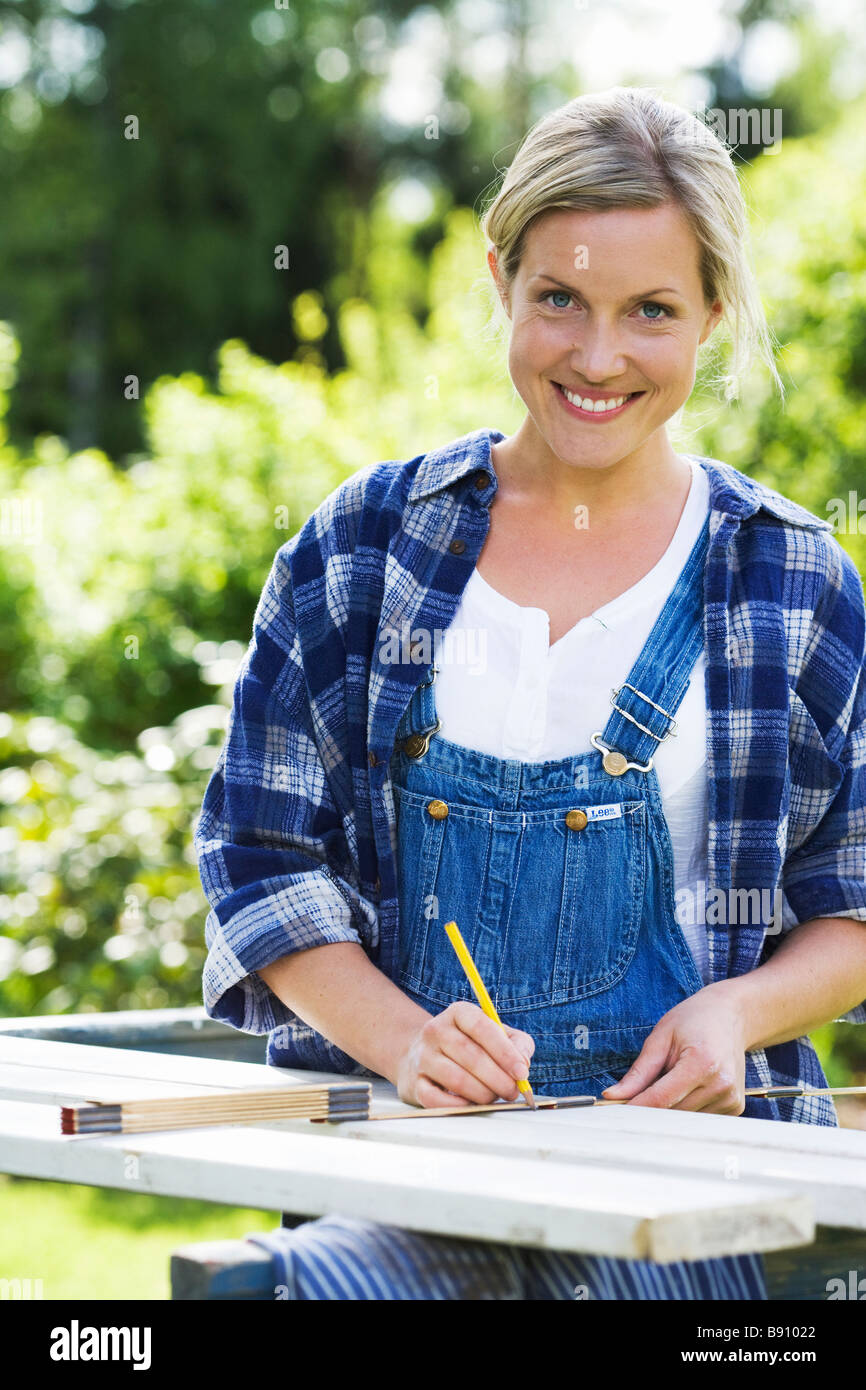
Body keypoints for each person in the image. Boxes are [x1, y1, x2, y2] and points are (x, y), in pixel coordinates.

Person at [194, 86, 866, 1300]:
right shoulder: (364, 547)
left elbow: (855, 894)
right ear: (500, 276)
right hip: (413, 1175)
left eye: (649, 311)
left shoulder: (789, 579)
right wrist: (406, 1042)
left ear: (711, 312)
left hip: (696, 1191)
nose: (596, 357)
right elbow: (258, 853)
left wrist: (737, 1016)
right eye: (559, 297)